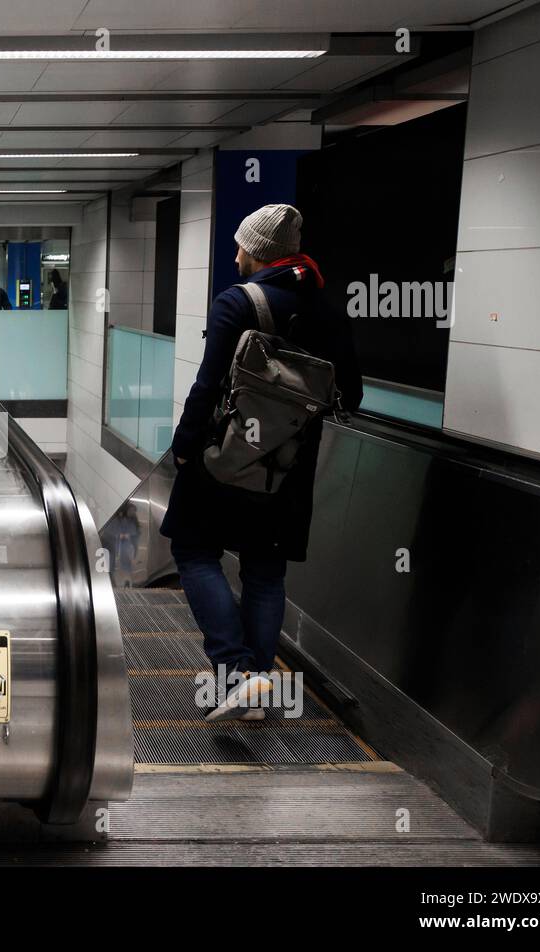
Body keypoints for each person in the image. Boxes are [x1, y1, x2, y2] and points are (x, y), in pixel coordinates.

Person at [161, 203, 362, 721]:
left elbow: (207, 386)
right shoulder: (325, 309)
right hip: (289, 468)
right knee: (266, 572)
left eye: (240, 246)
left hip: (225, 457)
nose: (235, 254)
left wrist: (185, 445)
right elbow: (351, 395)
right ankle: (253, 682)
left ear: (257, 252)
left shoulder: (238, 302)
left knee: (193, 549)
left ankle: (236, 673)